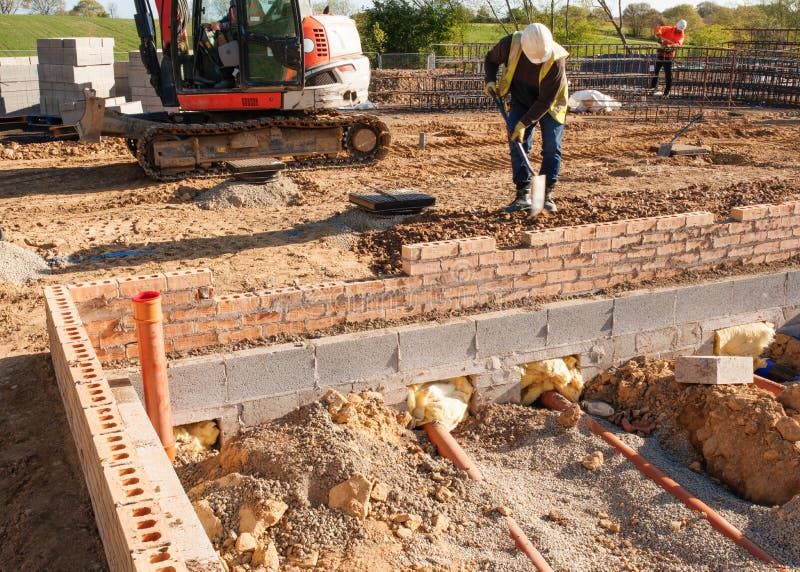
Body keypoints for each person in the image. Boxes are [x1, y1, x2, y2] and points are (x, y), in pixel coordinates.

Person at [484, 23, 569, 213]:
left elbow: (545, 101)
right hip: (521, 99)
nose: (538, 62)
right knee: (518, 144)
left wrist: (524, 123)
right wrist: (490, 79)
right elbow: (490, 59)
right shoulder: (510, 44)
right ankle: (523, 194)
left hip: (551, 104)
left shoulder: (556, 60)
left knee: (552, 147)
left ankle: (543, 196)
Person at [651, 19, 686, 97]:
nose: (678, 31)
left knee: (668, 75)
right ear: (676, 26)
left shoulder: (682, 35)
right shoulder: (669, 29)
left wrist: (671, 46)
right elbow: (658, 28)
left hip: (669, 56)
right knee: (655, 72)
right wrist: (658, 33)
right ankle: (652, 89)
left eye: (679, 30)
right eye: (677, 29)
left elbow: (679, 44)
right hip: (661, 54)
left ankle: (666, 93)